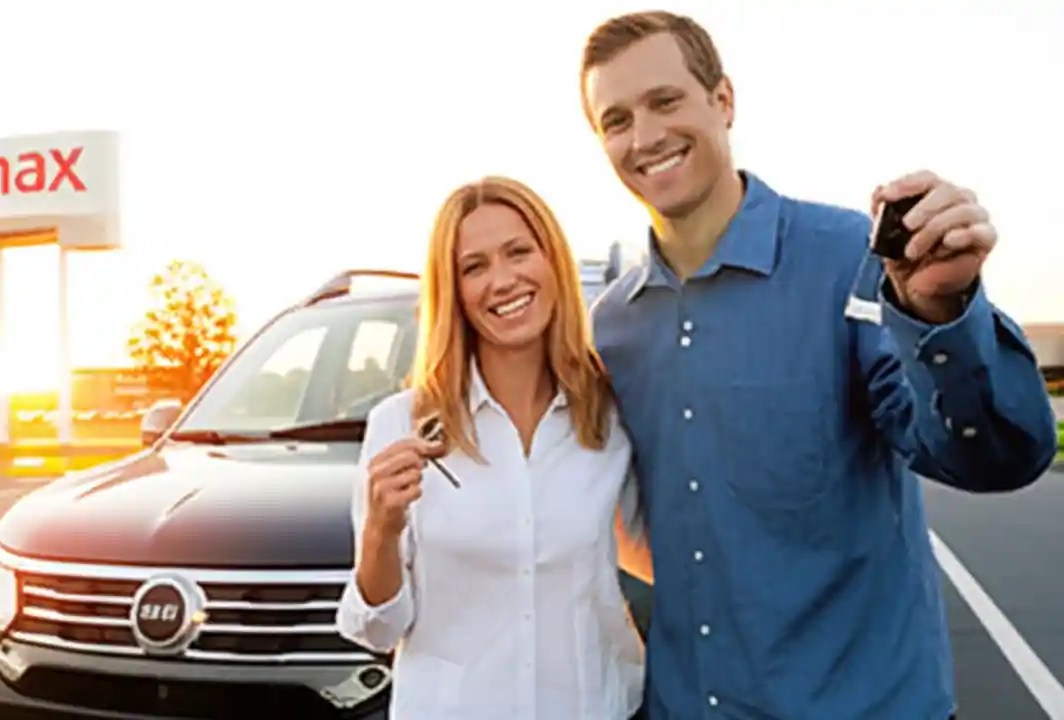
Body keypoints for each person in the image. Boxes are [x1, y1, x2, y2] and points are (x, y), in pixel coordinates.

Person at [578, 10, 1059, 720]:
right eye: (615, 120)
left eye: (665, 101)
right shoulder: (612, 327)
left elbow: (996, 457)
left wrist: (941, 311)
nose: (644, 137)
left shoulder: (855, 264)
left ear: (724, 100)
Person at [335, 175, 648, 719]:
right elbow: (379, 629)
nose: (502, 280)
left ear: (552, 260)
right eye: (473, 267)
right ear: (453, 291)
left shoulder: (609, 417)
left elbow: (659, 560)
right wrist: (380, 532)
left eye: (518, 252)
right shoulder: (400, 425)